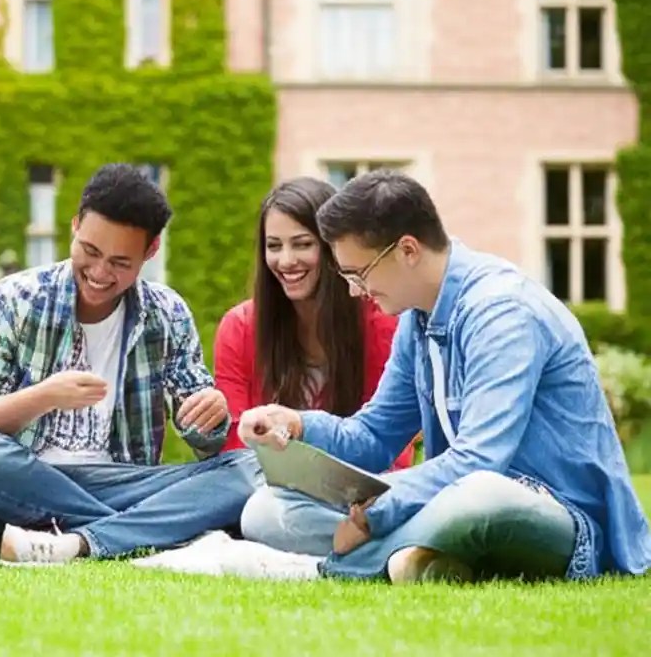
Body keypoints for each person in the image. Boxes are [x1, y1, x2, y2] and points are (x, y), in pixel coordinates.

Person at [208, 168, 650, 583]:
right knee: (266, 510)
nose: (352, 289)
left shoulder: (503, 313)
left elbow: (480, 460)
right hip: (453, 497)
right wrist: (297, 423)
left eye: (358, 273)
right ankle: (422, 558)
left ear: (406, 250)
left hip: (549, 511)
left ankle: (334, 566)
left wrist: (374, 516)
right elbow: (374, 435)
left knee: (480, 497)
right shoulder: (417, 320)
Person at [0, 163, 264, 564]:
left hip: (123, 483)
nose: (98, 273)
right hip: (26, 483)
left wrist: (208, 416)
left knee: (249, 468)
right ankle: (148, 534)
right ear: (75, 225)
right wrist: (43, 397)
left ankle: (79, 543)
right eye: (90, 252)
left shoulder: (166, 313)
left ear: (150, 252)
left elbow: (206, 440)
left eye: (119, 263)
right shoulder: (13, 300)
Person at [214, 177, 415, 472]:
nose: (286, 260)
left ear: (334, 248)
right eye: (274, 246)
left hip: (356, 486)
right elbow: (234, 445)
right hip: (259, 484)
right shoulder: (240, 328)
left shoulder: (383, 324)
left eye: (303, 244)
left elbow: (391, 446)